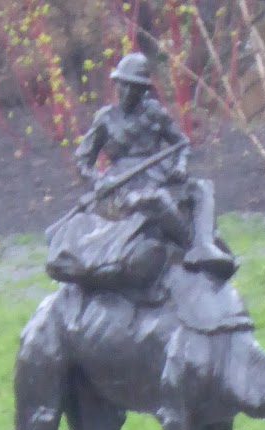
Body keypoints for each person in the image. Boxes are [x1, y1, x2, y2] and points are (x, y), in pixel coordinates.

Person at [74, 52, 233, 279]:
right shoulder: (106, 119)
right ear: (117, 85)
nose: (128, 93)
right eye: (124, 86)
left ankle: (205, 245)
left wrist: (180, 164)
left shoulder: (154, 113)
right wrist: (98, 180)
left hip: (158, 176)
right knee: (156, 201)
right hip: (121, 187)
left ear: (144, 90)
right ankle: (191, 246)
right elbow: (82, 161)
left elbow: (181, 144)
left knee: (201, 188)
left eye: (135, 88)